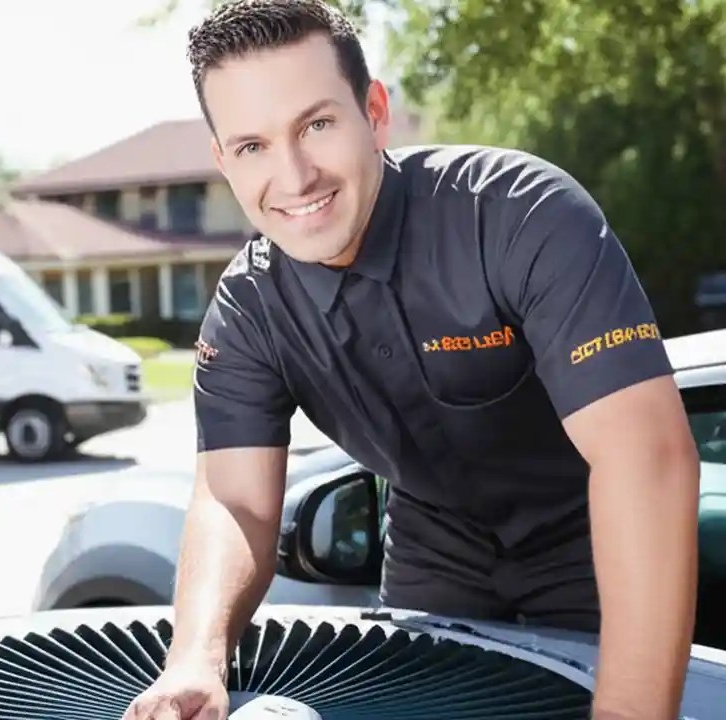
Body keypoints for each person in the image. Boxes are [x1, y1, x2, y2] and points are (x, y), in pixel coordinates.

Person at [122, 1, 702, 719]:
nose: (295, 176)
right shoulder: (247, 312)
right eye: (253, 147)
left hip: (603, 556)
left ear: (374, 110)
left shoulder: (522, 215)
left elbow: (644, 457)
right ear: (222, 161)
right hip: (433, 573)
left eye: (317, 125)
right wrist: (194, 660)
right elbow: (235, 501)